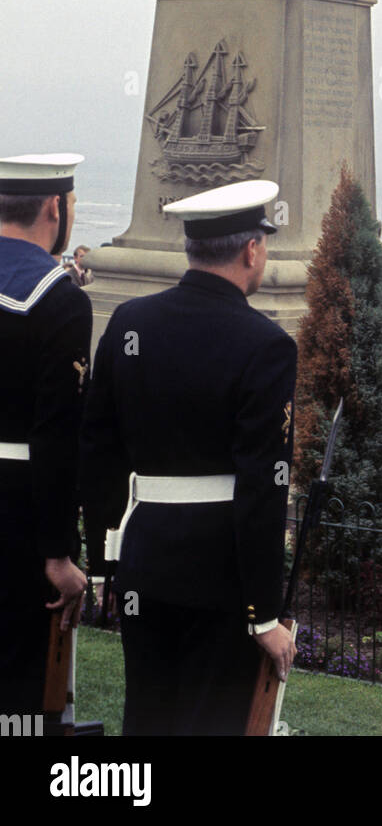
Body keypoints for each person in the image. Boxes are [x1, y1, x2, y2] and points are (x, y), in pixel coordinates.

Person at [80, 181, 297, 736]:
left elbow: (98, 448)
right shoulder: (265, 344)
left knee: (149, 717)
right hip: (218, 568)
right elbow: (261, 488)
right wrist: (264, 616)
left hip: (144, 554)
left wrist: (109, 560)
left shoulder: (129, 322)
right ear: (252, 250)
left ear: (191, 248)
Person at [0, 154, 92, 715]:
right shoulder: (59, 299)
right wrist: (57, 553)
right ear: (56, 209)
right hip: (15, 516)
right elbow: (56, 436)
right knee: (19, 684)